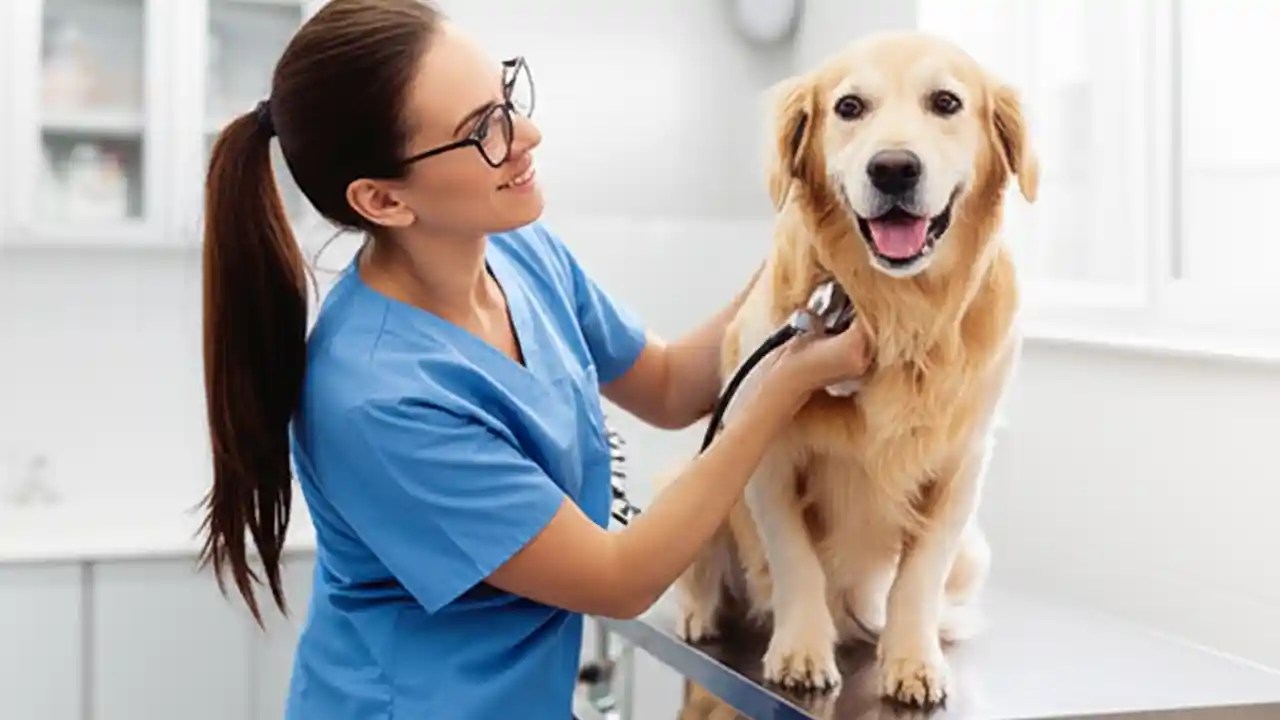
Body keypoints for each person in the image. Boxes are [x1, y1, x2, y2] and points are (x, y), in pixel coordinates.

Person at [198, 1, 872, 718]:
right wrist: (790, 381)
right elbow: (618, 580)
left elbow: (672, 385)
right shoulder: (377, 396)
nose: (526, 134)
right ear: (383, 199)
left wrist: (802, 254)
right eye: (482, 131)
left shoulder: (519, 252)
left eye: (506, 97)